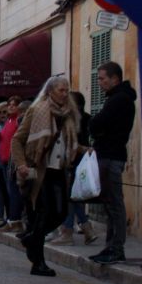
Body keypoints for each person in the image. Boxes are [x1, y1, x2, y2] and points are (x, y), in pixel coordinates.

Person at [11, 76, 85, 277]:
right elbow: (17, 140)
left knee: (60, 213)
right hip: (39, 170)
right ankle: (39, 263)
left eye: (67, 90)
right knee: (42, 215)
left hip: (59, 170)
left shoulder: (68, 114)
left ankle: (31, 239)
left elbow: (69, 143)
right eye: (61, 90)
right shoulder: (37, 110)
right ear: (50, 91)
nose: (65, 94)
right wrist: (21, 164)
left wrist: (84, 150)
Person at [88, 61, 137, 264]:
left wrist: (95, 126)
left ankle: (116, 247)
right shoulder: (118, 99)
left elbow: (97, 124)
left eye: (102, 78)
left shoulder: (119, 100)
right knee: (109, 203)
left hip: (111, 156)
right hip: (109, 154)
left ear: (114, 78)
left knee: (114, 203)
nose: (99, 82)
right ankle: (111, 246)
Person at [49, 90, 97, 246]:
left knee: (69, 198)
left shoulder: (71, 119)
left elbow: (72, 142)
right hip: (82, 161)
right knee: (74, 197)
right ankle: (87, 228)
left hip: (73, 161)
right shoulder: (88, 118)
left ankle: (68, 231)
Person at [0, 96, 25, 234]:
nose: (11, 107)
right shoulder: (9, 121)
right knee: (9, 192)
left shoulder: (18, 121)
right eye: (9, 104)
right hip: (4, 161)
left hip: (13, 161)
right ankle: (11, 219)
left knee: (14, 192)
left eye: (14, 104)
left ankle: (15, 221)